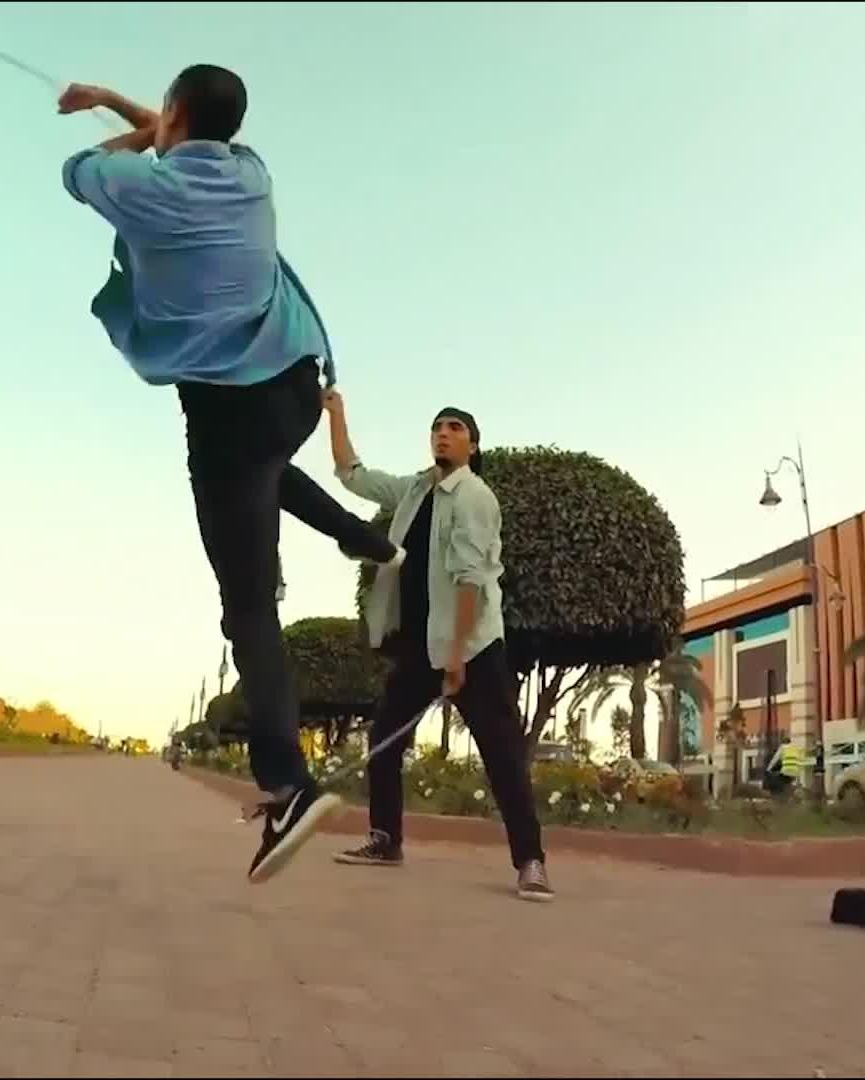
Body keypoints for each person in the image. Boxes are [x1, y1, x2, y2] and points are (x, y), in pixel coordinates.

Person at [58, 66, 392, 882]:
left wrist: (116, 118)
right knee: (267, 477)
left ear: (172, 117)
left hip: (229, 416)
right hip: (295, 388)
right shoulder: (252, 175)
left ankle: (286, 784)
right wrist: (121, 101)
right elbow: (180, 138)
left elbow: (82, 169)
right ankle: (364, 540)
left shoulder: (135, 184)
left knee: (247, 609)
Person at [321, 390, 554, 902]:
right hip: (420, 647)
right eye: (437, 427)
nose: (443, 434)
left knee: (502, 757)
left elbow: (471, 579)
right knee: (384, 740)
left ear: (473, 444)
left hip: (473, 649)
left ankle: (531, 862)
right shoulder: (415, 491)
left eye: (454, 427)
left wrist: (457, 656)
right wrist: (335, 413)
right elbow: (353, 473)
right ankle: (385, 840)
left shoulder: (475, 497)